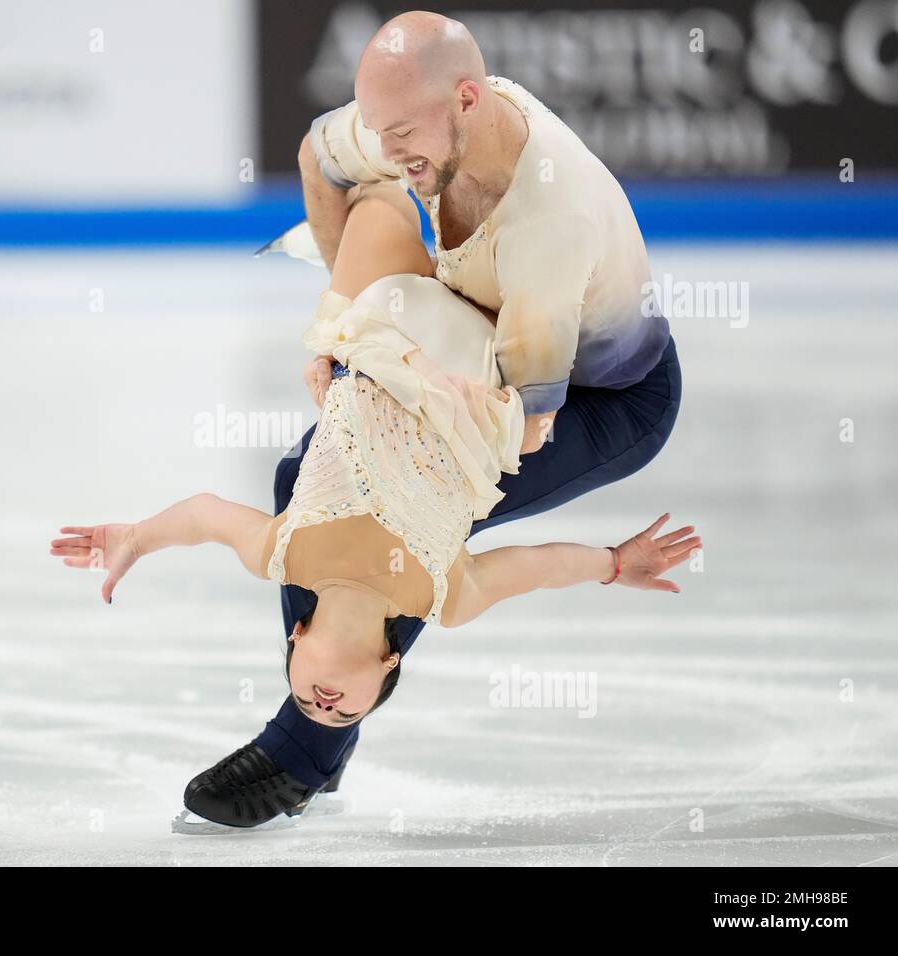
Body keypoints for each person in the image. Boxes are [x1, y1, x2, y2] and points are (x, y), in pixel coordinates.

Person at [52, 183, 696, 829]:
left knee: (362, 183)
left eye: (307, 701)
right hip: (605, 391)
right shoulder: (445, 596)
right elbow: (541, 566)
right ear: (390, 666)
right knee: (485, 237)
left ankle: (309, 758)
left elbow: (202, 515)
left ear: (295, 634)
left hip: (401, 331)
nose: (324, 701)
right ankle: (310, 758)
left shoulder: (280, 551)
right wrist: (614, 562)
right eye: (340, 713)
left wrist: (136, 536)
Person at [182, 10, 684, 828]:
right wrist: (350, 322)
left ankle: (305, 749)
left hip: (599, 400)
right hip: (480, 344)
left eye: (405, 133)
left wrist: (377, 385)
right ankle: (324, 716)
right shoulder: (409, 120)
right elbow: (318, 155)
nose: (391, 149)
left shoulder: (548, 221)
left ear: (468, 99)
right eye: (379, 131)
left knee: (411, 528)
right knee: (295, 480)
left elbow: (524, 429)